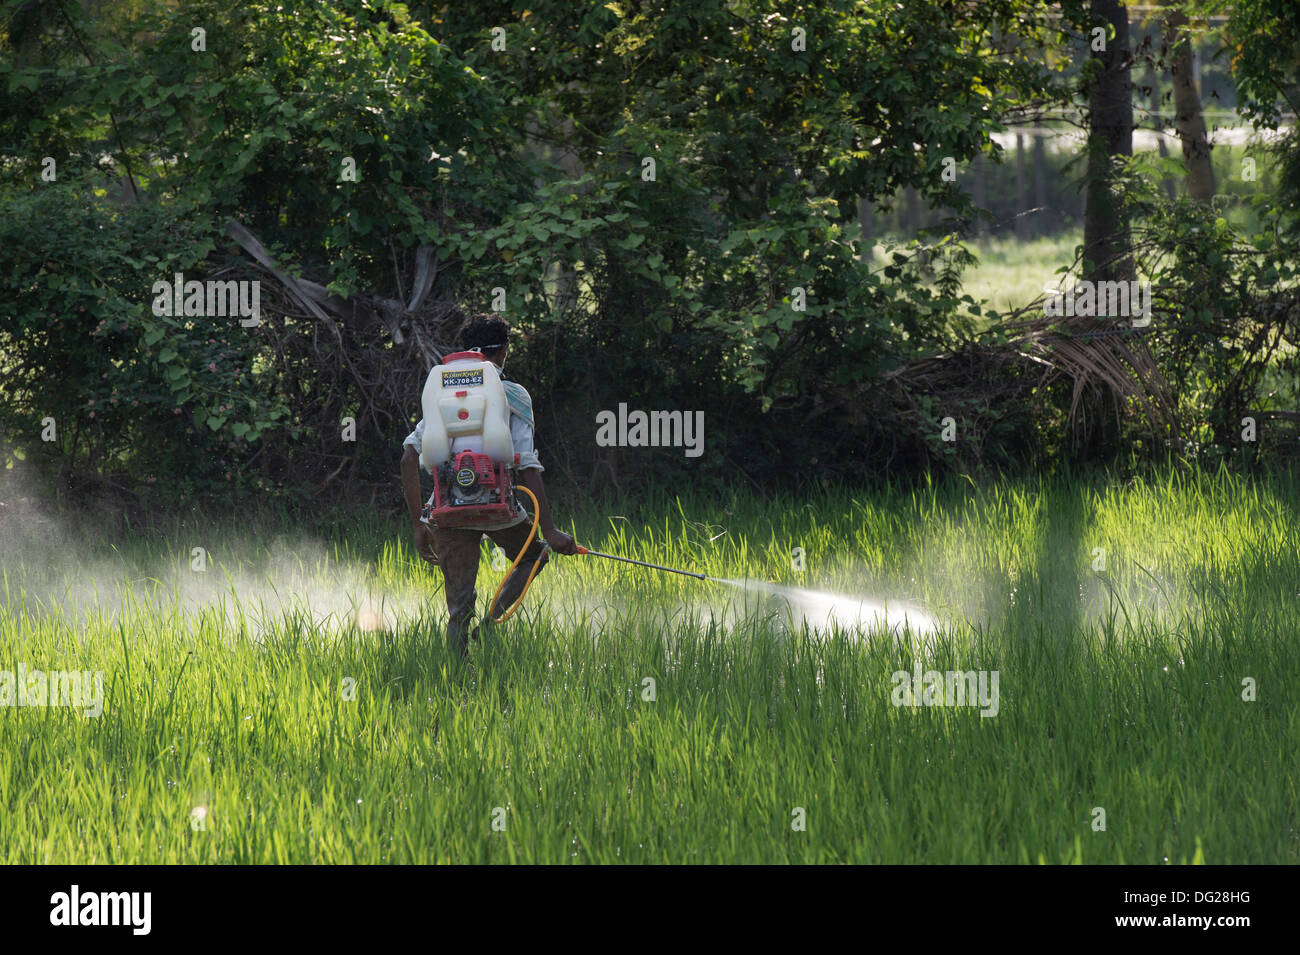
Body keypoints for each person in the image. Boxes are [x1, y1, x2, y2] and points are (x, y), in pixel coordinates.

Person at [400, 313, 577, 655]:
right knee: (534, 556)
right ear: (503, 351)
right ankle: (489, 628)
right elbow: (526, 465)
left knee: (458, 610)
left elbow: (408, 458)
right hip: (498, 507)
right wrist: (551, 531)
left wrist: (418, 525)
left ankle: (457, 682)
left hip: (447, 511)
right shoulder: (512, 393)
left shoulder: (443, 392)